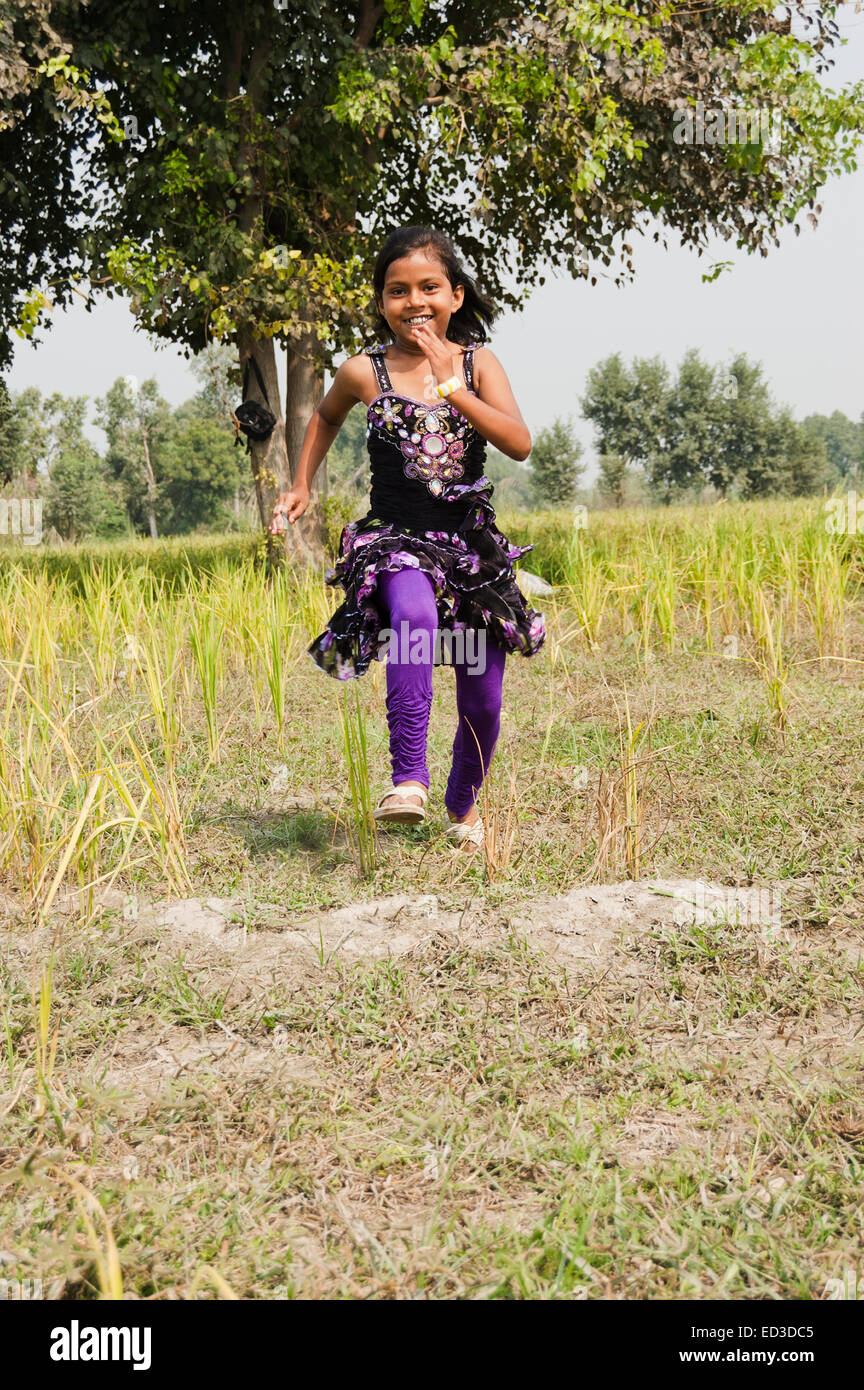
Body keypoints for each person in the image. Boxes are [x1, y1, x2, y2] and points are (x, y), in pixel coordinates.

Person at [269, 226, 546, 852]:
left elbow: (519, 444)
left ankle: (461, 807)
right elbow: (325, 414)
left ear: (454, 296)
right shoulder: (364, 370)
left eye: (428, 288)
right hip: (397, 538)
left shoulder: (479, 364)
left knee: (483, 695)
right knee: (414, 619)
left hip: (470, 546)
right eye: (398, 291)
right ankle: (407, 782)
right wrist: (301, 484)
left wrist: (452, 383)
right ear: (381, 302)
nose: (414, 302)